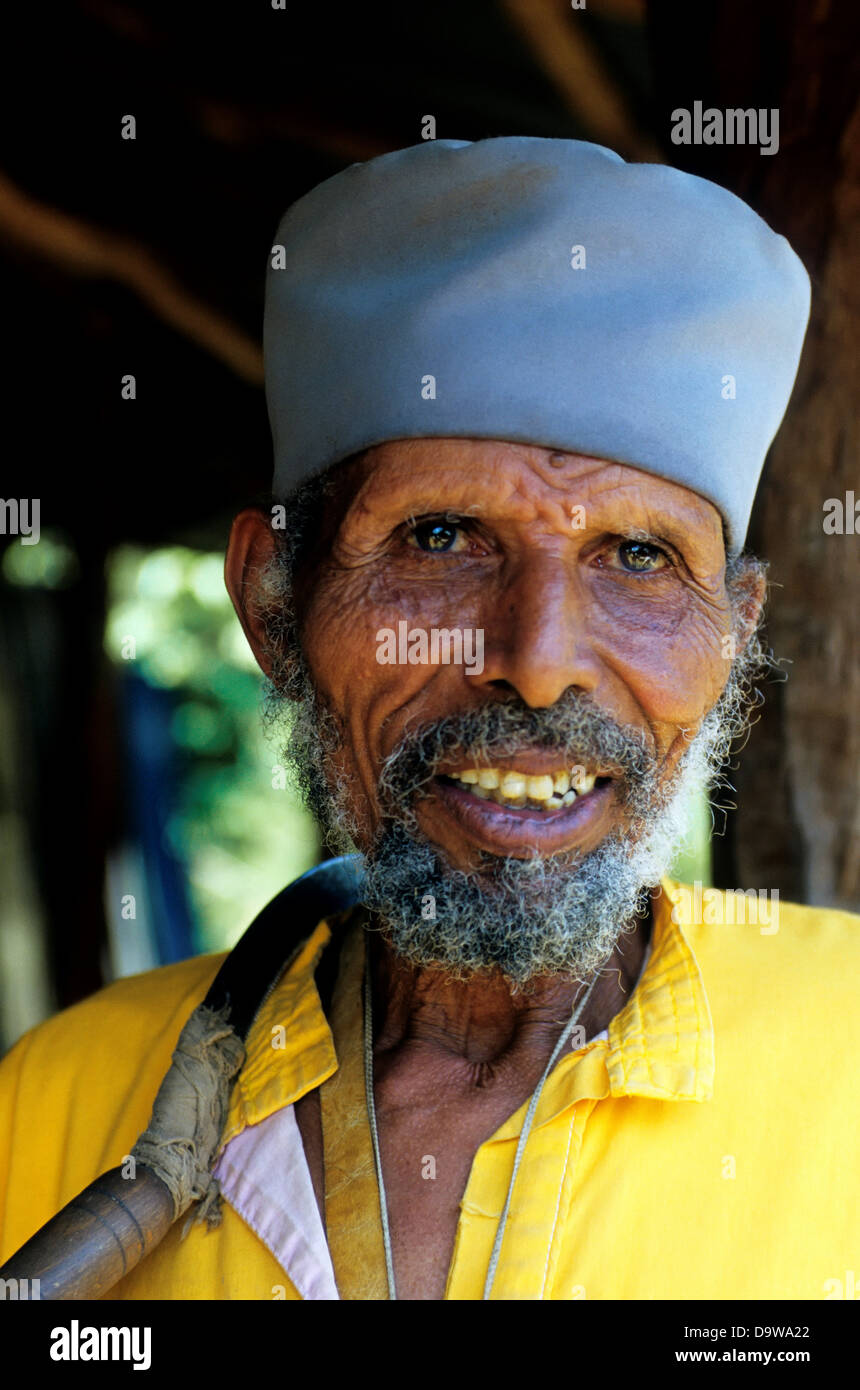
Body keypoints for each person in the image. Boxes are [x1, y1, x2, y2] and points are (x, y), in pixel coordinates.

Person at [1, 137, 857, 1301]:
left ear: (732, 633)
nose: (538, 663)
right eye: (440, 537)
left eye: (639, 554)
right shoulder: (58, 1103)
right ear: (272, 601)